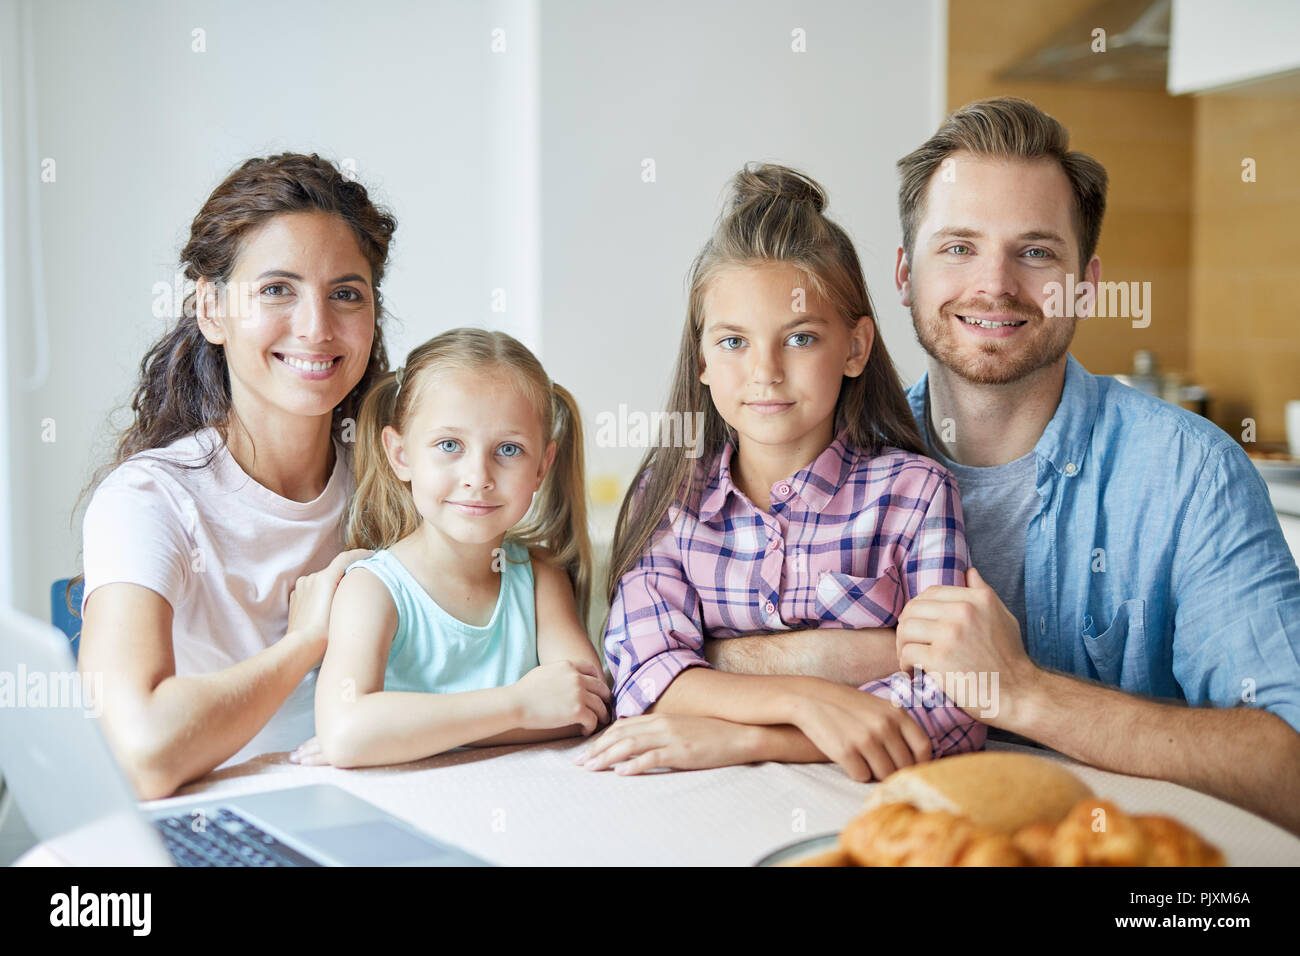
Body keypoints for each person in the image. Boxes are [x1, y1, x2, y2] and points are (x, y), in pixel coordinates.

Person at [716, 99, 1300, 835]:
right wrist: (845, 657)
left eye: (1036, 251)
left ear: (1084, 283)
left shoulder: (1192, 477)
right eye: (958, 247)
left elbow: (1291, 767)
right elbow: (669, 653)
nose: (994, 284)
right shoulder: (818, 452)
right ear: (905, 273)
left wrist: (1020, 691)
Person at [581, 164, 985, 782]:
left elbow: (952, 706)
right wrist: (809, 698)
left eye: (798, 339)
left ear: (855, 347)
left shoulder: (915, 494)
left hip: (864, 806)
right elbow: (643, 673)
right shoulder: (667, 497)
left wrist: (740, 740)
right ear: (702, 360)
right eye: (734, 342)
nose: (765, 371)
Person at [73, 153, 392, 799]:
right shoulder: (149, 500)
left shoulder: (398, 479)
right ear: (212, 309)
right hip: (218, 822)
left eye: (346, 293)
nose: (316, 327)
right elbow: (143, 754)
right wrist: (305, 641)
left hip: (373, 803)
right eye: (278, 288)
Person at [291, 329, 610, 769]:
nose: (478, 476)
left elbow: (583, 707)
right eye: (449, 445)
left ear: (542, 466)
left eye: (509, 449)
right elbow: (348, 733)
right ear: (401, 454)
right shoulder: (372, 590)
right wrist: (521, 705)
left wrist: (398, 734)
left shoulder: (538, 578)